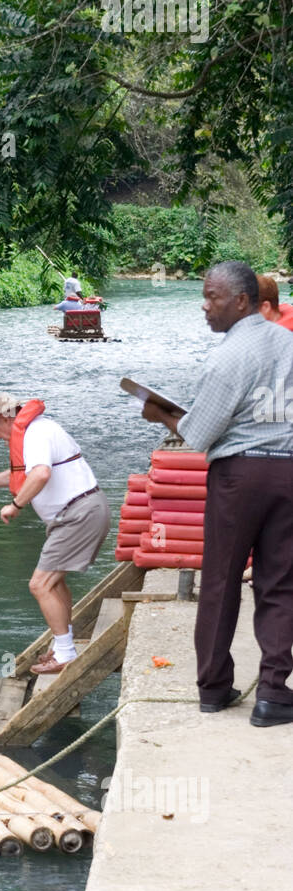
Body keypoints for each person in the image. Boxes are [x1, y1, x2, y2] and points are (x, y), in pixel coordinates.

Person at [141, 260, 293, 726]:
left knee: (222, 580)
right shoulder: (289, 343)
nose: (205, 306)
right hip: (288, 473)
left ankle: (213, 687)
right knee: (280, 582)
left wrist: (162, 415)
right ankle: (272, 693)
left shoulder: (226, 357)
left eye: (213, 298)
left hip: (238, 477)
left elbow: (201, 434)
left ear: (242, 301)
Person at [0, 393, 111, 674]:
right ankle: (61, 647)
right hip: (78, 513)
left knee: (40, 584)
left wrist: (15, 505)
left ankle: (66, 653)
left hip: (77, 515)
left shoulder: (36, 433)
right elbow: (23, 474)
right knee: (54, 583)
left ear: (4, 418)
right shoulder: (36, 431)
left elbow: (41, 474)